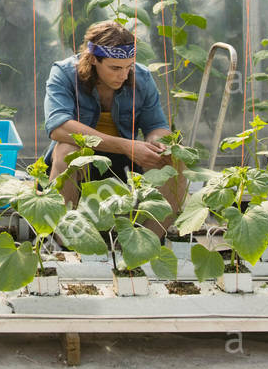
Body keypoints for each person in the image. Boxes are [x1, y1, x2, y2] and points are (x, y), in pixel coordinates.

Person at [43, 21, 182, 225]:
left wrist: (159, 143)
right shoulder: (64, 74)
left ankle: (149, 242)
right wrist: (126, 146)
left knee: (174, 157)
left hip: (124, 164)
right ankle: (62, 244)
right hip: (87, 161)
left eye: (129, 67)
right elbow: (59, 127)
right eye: (115, 68)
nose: (124, 75)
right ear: (92, 60)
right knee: (67, 151)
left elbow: (156, 125)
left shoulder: (141, 77)